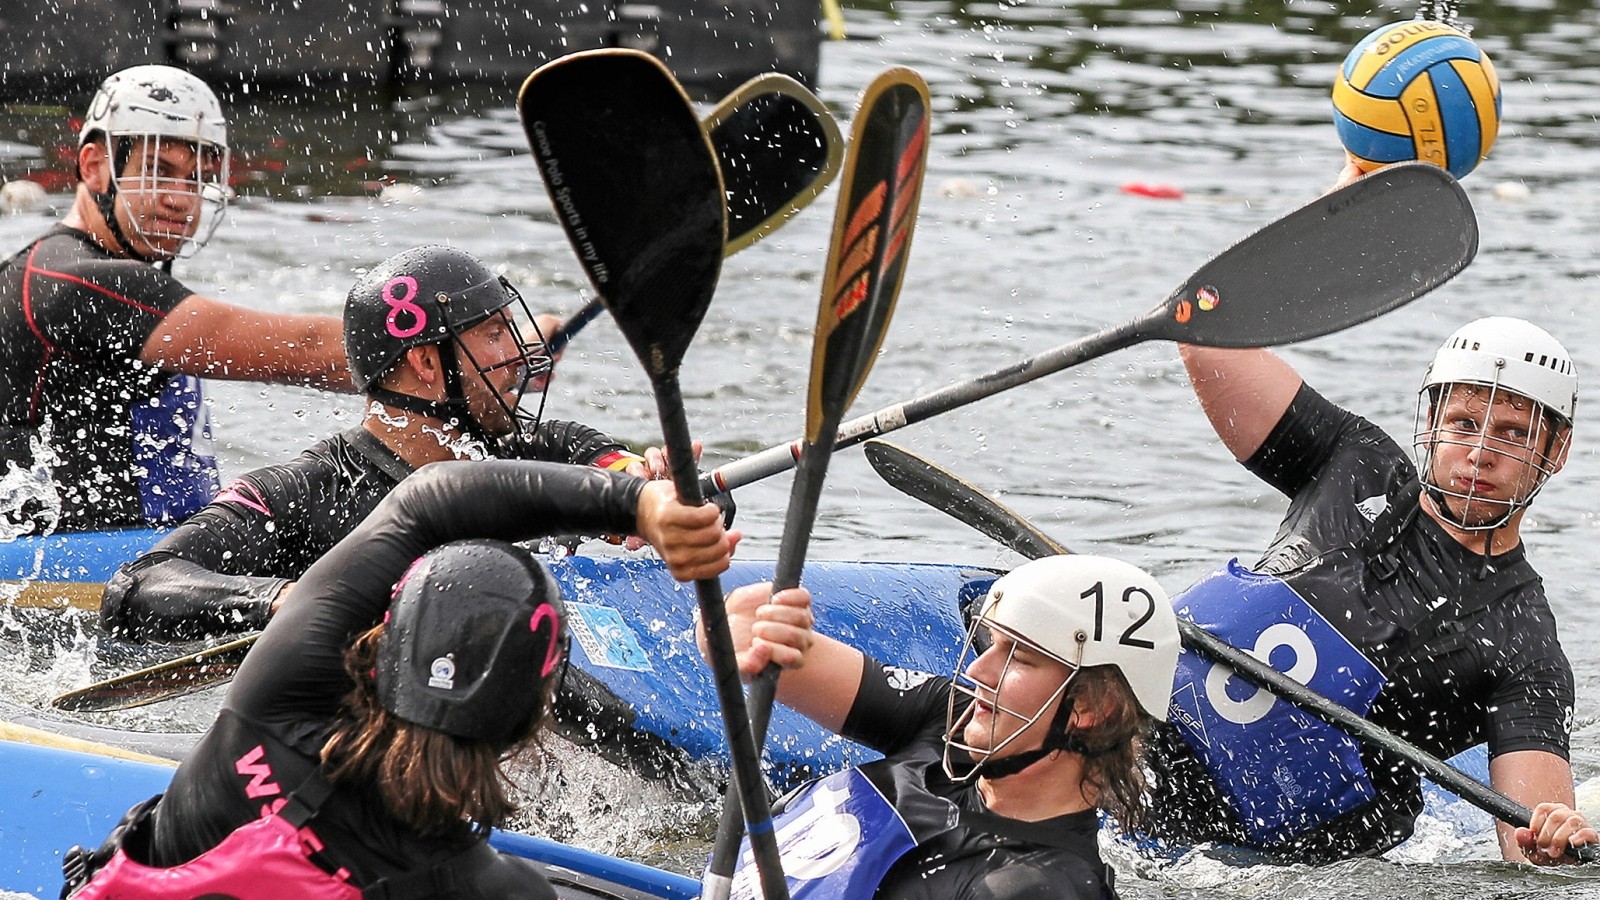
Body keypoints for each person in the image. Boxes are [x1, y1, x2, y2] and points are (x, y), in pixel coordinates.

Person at [61, 457, 738, 899]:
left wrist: (637, 503)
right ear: (532, 718)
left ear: (380, 646)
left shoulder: (279, 695)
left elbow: (424, 502)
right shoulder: (491, 889)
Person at [1145, 313, 1597, 864]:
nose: (1480, 452)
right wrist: (1195, 313)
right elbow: (1207, 344)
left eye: (1511, 433)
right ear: (1431, 420)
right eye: (1463, 423)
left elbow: (1533, 849)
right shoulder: (1355, 463)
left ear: (1556, 450)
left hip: (1248, 860)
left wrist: (1552, 842)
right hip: (1135, 758)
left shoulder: (1525, 646)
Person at [100, 243, 675, 641]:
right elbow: (137, 585)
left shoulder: (546, 449)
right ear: (426, 363)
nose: (521, 355)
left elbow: (628, 476)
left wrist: (654, 489)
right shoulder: (307, 492)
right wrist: (286, 601)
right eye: (495, 334)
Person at [0, 65, 352, 533]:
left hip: (153, 549)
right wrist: (432, 350)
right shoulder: (71, 280)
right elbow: (307, 351)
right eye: (157, 172)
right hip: (79, 560)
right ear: (94, 166)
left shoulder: (102, 273)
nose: (181, 200)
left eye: (196, 179)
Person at [705, 554, 1181, 899]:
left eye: (1019, 657)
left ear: (1092, 707)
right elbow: (751, 648)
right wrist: (744, 627)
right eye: (992, 643)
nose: (977, 671)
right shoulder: (951, 718)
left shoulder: (1038, 887)